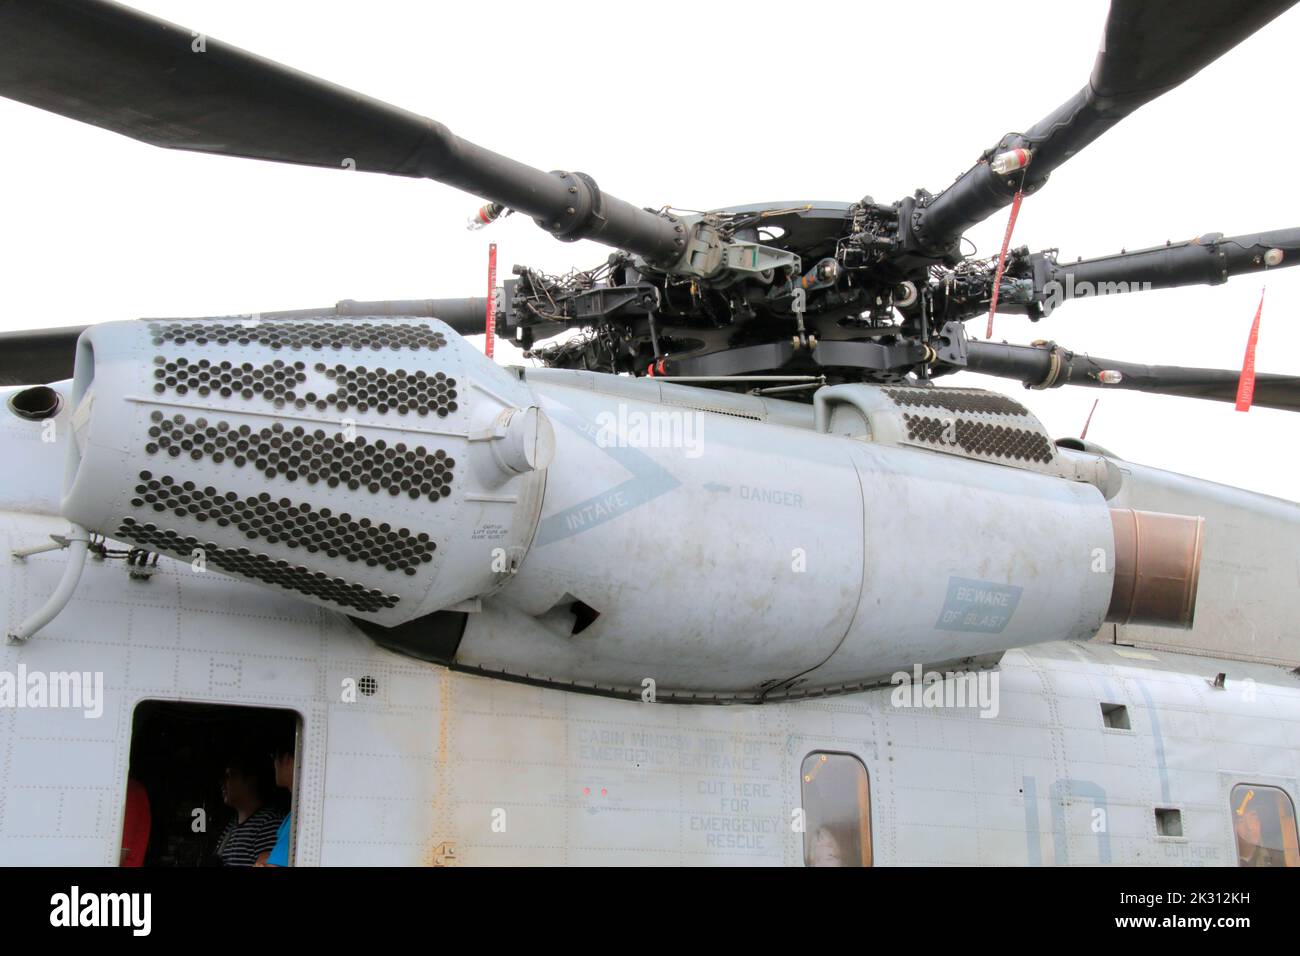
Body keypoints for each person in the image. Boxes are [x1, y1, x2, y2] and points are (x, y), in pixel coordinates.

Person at [214, 753, 282, 867]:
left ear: (251, 780)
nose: (223, 782)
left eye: (230, 775)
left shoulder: (268, 823)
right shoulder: (232, 824)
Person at [261, 740, 295, 867]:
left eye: (273, 756)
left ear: (286, 759)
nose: (273, 764)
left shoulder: (297, 820)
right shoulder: (293, 816)